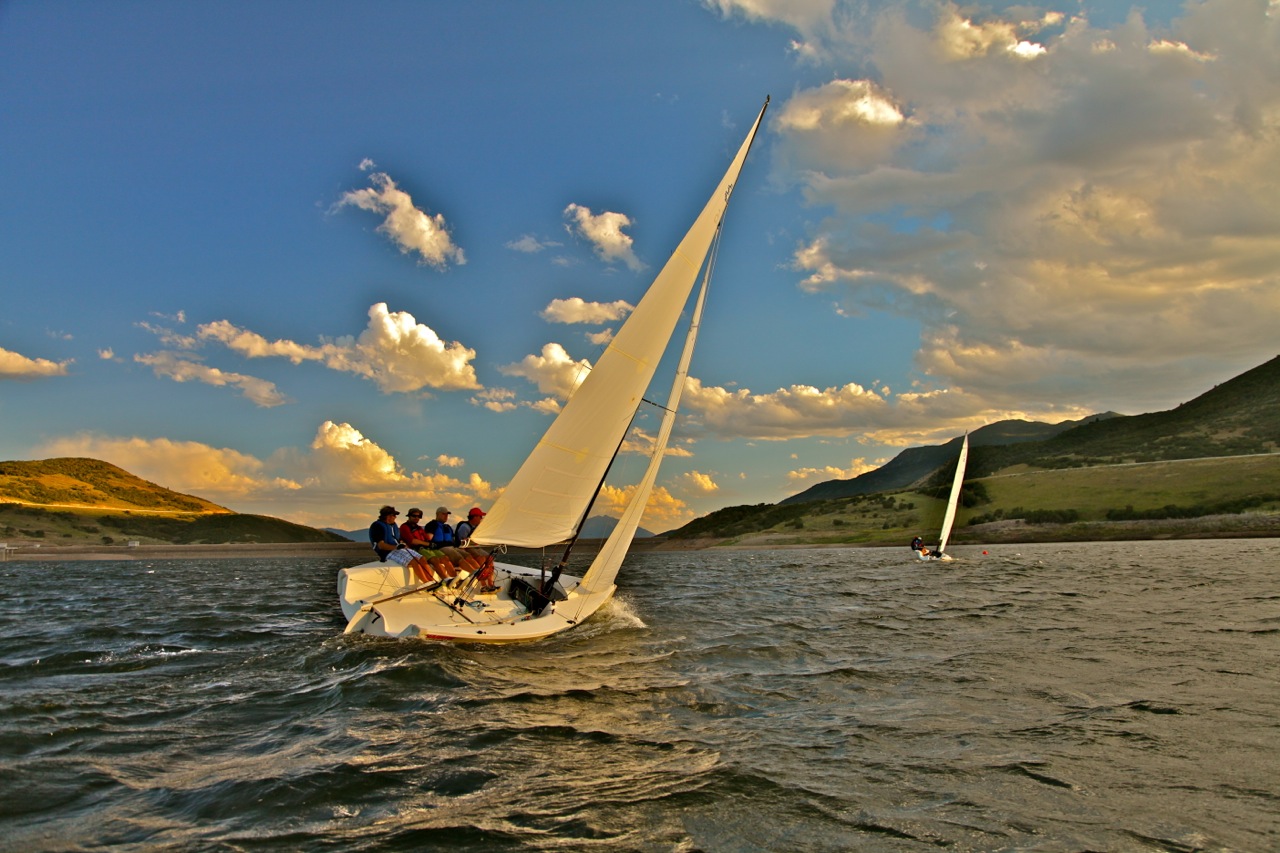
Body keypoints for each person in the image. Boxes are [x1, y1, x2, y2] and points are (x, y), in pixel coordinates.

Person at [368, 505, 441, 584]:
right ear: (388, 516)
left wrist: (402, 544)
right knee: (414, 561)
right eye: (394, 515)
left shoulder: (393, 525)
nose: (395, 517)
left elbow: (398, 539)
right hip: (388, 552)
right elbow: (381, 545)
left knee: (422, 558)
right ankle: (426, 582)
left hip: (398, 549)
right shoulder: (377, 526)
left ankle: (432, 581)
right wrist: (396, 547)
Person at [454, 507, 497, 591]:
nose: (481, 519)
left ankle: (491, 583)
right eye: (480, 517)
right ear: (475, 517)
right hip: (466, 548)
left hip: (475, 547)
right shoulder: (464, 527)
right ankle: (483, 585)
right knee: (481, 559)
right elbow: (462, 543)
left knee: (490, 558)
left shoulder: (476, 527)